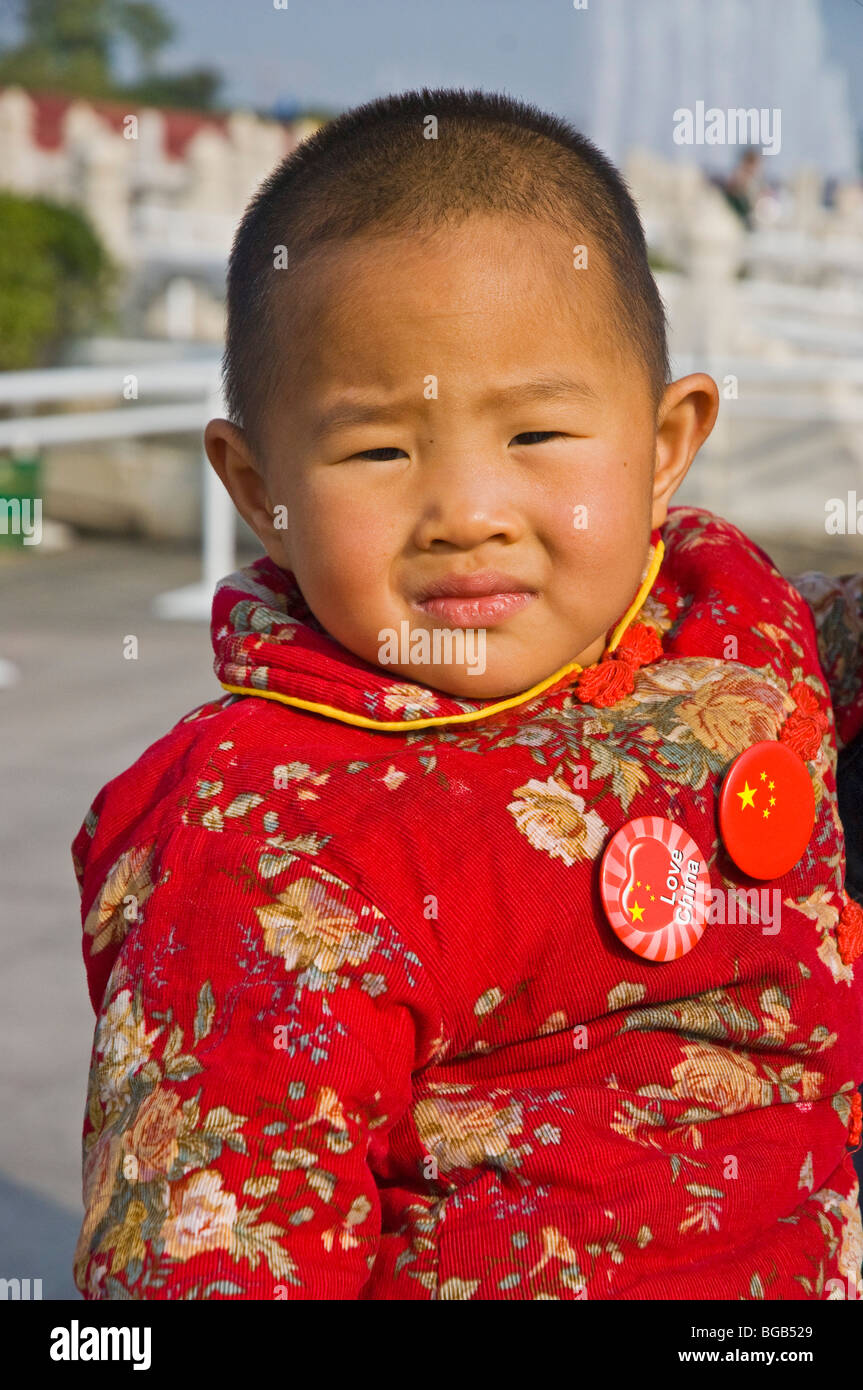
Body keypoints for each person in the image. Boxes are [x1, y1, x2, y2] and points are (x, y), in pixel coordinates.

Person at [71, 88, 863, 1301]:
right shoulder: (263, 842)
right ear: (255, 485)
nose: (466, 513)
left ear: (662, 448)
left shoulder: (715, 607)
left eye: (538, 436)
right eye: (379, 451)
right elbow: (207, 1245)